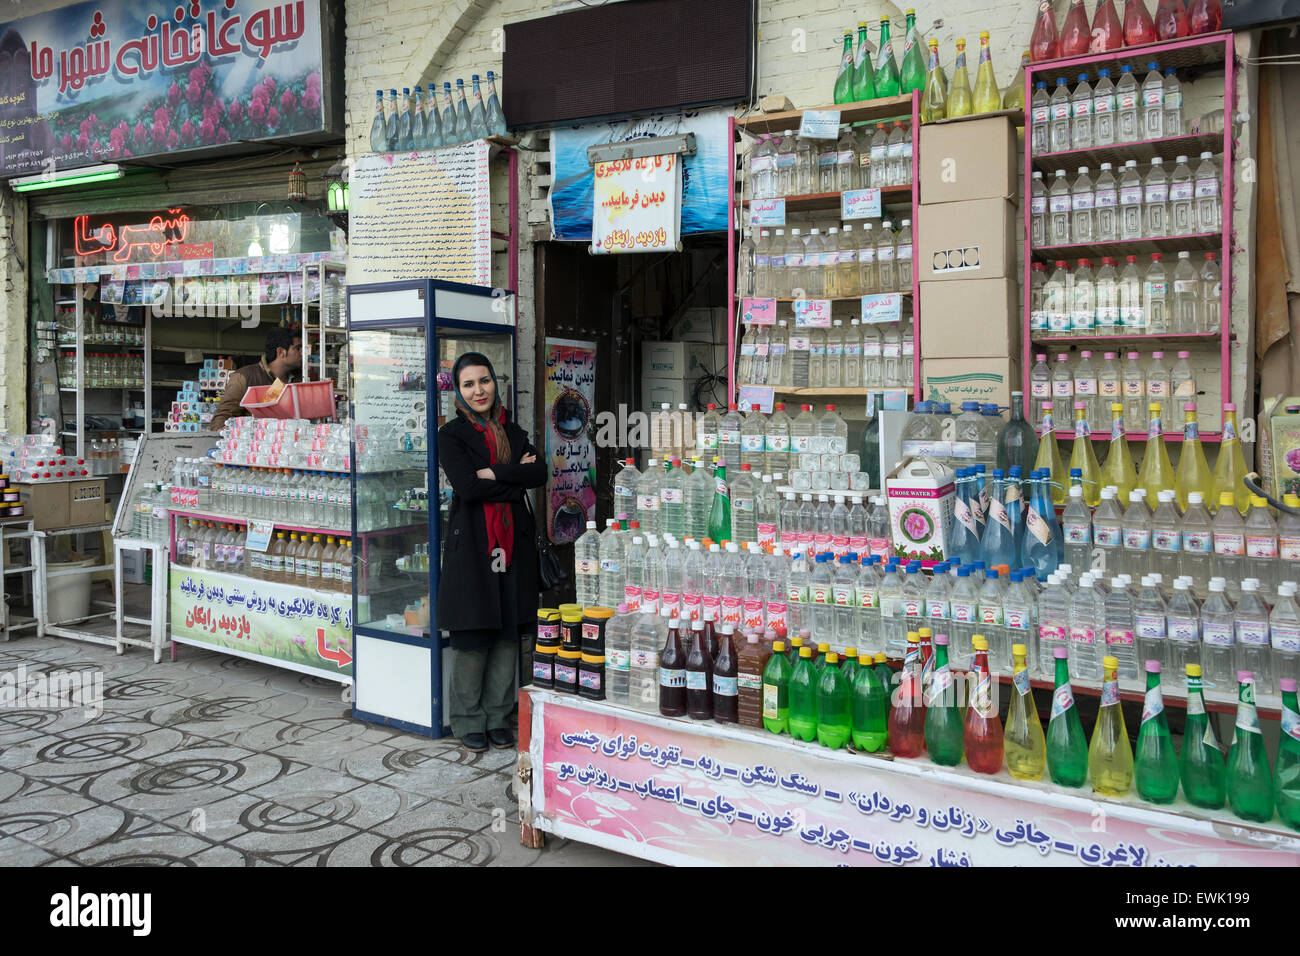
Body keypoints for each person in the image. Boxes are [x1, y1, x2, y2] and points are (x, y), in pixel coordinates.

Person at [437, 352, 546, 753]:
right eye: (469, 384)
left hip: (514, 545)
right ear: (459, 391)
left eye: (484, 381)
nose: (478, 390)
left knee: (507, 632)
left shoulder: (513, 432)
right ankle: (468, 718)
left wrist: (495, 474)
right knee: (474, 634)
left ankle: (500, 717)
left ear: (494, 384)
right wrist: (513, 478)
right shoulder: (450, 435)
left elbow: (539, 473)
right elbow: (467, 488)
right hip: (474, 548)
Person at [209, 328, 303, 431]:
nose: (303, 353)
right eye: (298, 348)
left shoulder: (301, 378)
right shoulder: (244, 377)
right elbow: (221, 418)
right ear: (281, 352)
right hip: (257, 443)